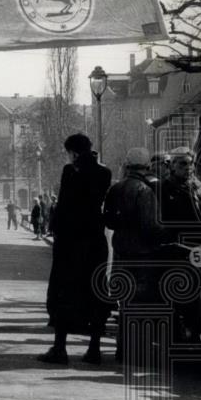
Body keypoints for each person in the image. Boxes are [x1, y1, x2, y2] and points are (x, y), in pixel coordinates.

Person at [39, 133, 113, 366]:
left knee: (63, 293)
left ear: (72, 151)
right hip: (94, 241)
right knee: (96, 292)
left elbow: (64, 204)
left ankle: (60, 348)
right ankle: (94, 349)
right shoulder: (105, 172)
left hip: (71, 243)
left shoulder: (70, 171)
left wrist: (55, 229)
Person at [103, 148, 162, 362]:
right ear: (146, 167)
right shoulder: (145, 191)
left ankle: (123, 349)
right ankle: (137, 352)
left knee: (125, 302)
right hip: (142, 255)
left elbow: (108, 220)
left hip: (121, 252)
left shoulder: (115, 189)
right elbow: (150, 225)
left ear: (127, 166)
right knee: (141, 304)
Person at [157, 146, 201, 342]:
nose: (188, 167)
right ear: (171, 166)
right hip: (176, 253)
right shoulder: (161, 191)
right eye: (182, 163)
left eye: (191, 164)